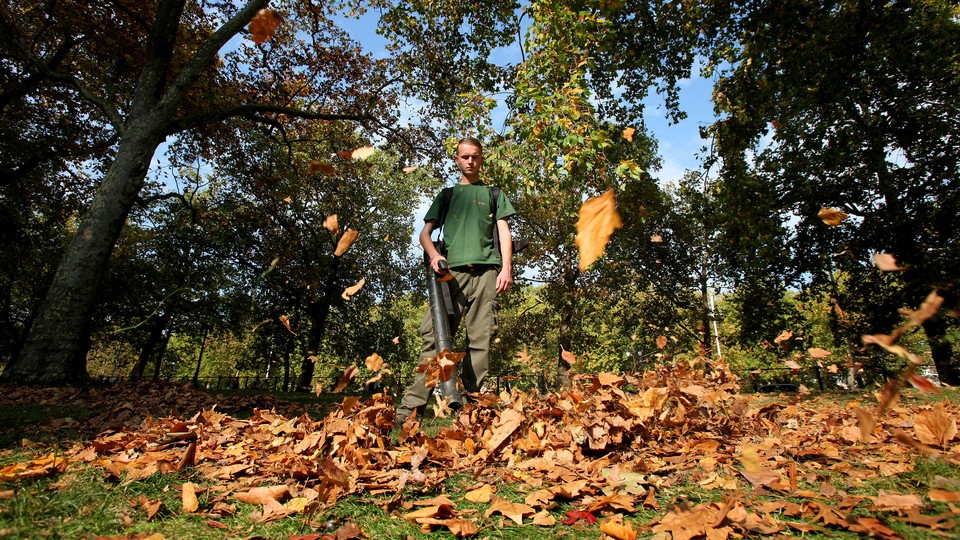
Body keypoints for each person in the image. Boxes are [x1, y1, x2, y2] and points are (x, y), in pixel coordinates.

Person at [396, 137, 515, 422]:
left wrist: (506, 268)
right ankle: (409, 412)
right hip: (449, 276)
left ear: (481, 158)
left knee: (480, 342)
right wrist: (435, 255)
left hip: (487, 274)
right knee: (434, 339)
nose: (470, 161)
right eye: (465, 157)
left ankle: (473, 412)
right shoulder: (447, 196)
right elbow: (425, 234)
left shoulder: (493, 194)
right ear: (457, 160)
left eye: (475, 156)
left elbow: (504, 232)